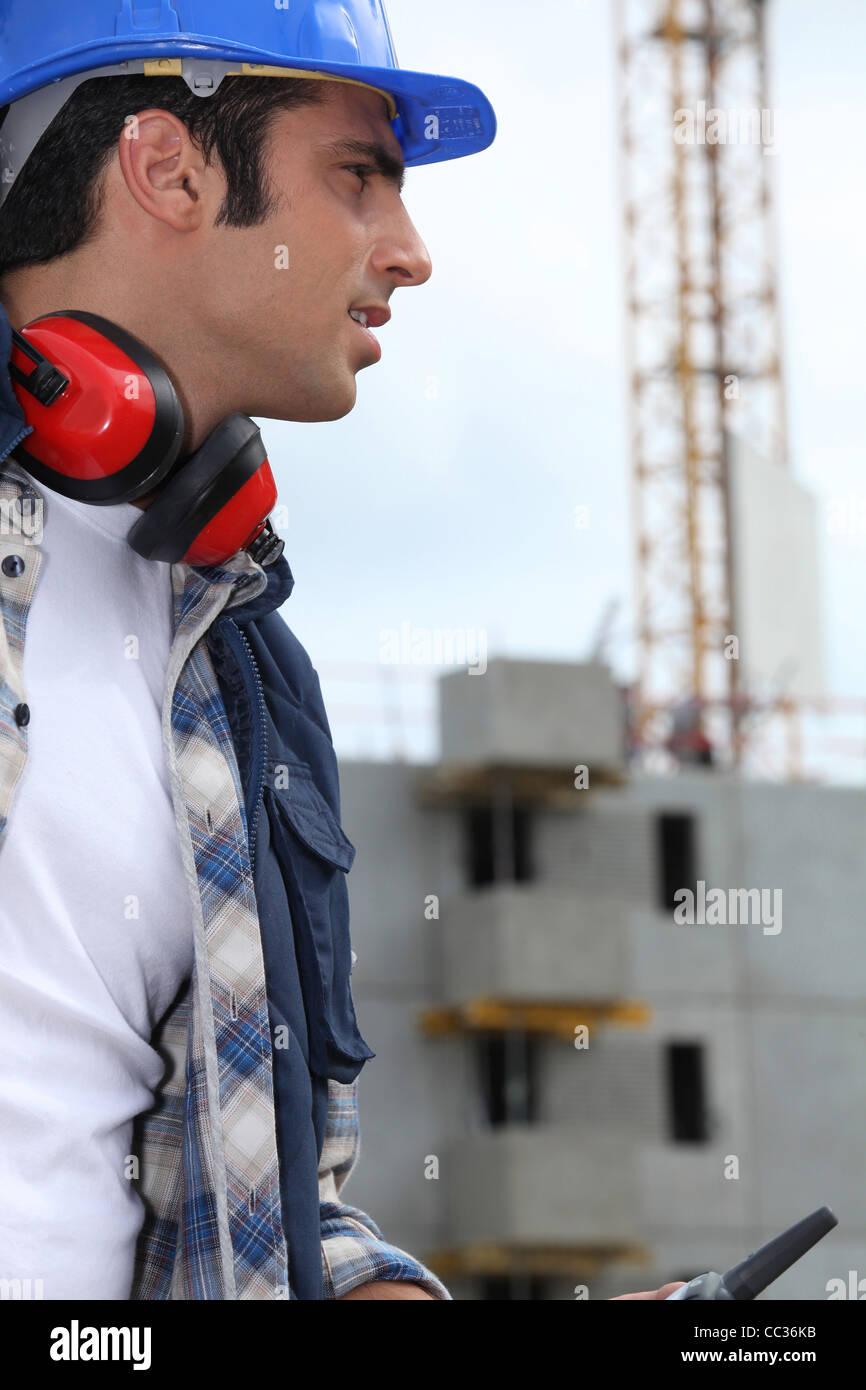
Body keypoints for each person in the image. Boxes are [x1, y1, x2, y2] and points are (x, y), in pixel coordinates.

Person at [0, 0, 683, 1302]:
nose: (410, 253)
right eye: (359, 177)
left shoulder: (244, 669)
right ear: (169, 166)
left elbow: (263, 1207)